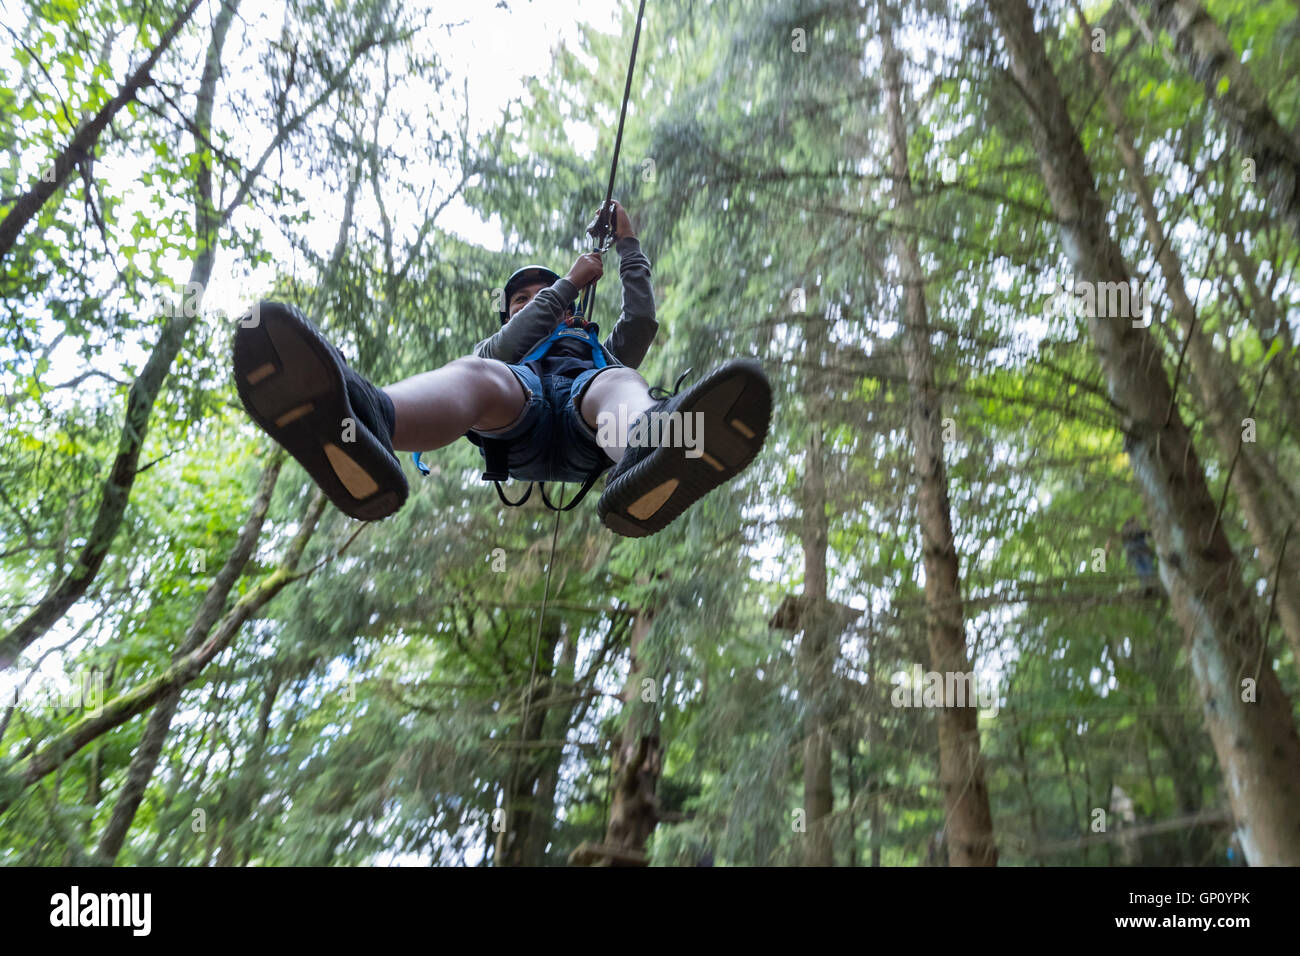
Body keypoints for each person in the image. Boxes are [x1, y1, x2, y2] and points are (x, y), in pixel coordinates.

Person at [232, 200, 771, 537]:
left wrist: (628, 241)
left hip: (599, 428)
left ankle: (655, 444)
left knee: (620, 382)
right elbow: (511, 344)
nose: (540, 303)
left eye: (546, 297)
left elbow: (643, 318)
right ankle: (362, 417)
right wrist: (567, 285)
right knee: (478, 375)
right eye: (523, 300)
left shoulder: (598, 351)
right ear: (511, 311)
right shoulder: (503, 347)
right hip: (519, 423)